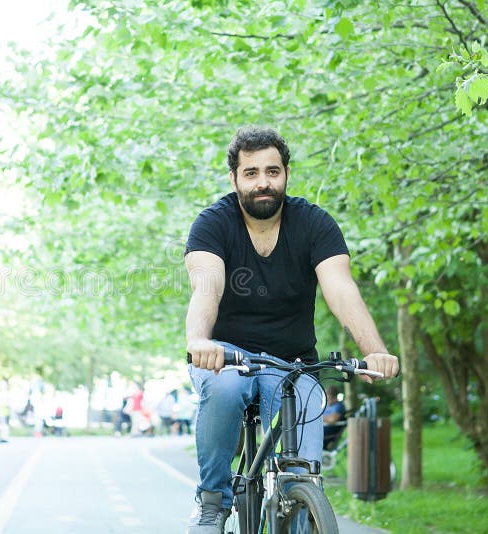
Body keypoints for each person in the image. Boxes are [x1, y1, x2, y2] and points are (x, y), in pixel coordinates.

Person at [184, 126, 399, 533]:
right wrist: (199, 341)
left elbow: (341, 290)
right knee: (224, 388)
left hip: (292, 362)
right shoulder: (213, 223)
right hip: (227, 357)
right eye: (251, 173)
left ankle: (298, 505)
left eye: (272, 171)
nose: (263, 182)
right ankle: (213, 499)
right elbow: (206, 286)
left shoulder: (314, 224)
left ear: (286, 173)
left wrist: (374, 350)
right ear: (234, 179)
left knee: (303, 462)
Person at [322, 385, 347, 450]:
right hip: (322, 430)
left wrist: (319, 418)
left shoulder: (339, 406)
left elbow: (332, 419)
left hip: (327, 433)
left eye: (329, 398)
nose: (327, 400)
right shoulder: (326, 406)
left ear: (335, 398)